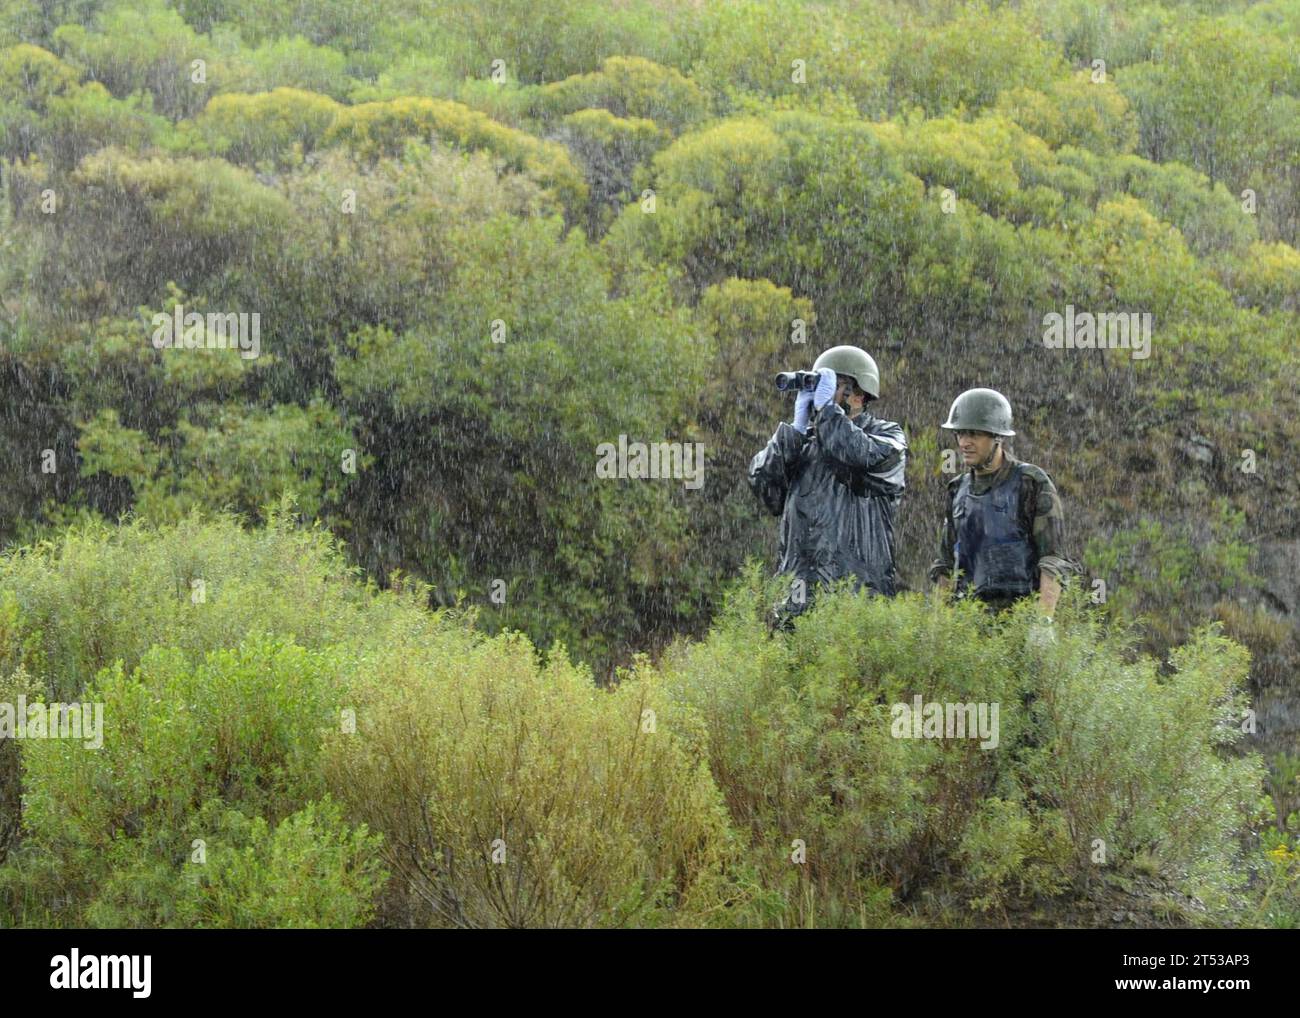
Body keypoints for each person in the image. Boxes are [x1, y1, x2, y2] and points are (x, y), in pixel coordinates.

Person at [749, 345, 907, 629]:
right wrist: (793, 434)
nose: (821, 392)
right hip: (798, 601)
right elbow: (765, 488)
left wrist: (828, 414)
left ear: (858, 396)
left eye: (834, 385)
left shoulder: (886, 437)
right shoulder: (803, 443)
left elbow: (860, 457)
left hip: (857, 601)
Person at [930, 388, 1077, 622]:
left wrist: (1043, 621)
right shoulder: (957, 490)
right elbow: (945, 565)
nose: (964, 443)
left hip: (1021, 618)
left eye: (974, 435)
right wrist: (938, 625)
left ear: (997, 437)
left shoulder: (1031, 483)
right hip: (968, 621)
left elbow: (1053, 560)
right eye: (960, 434)